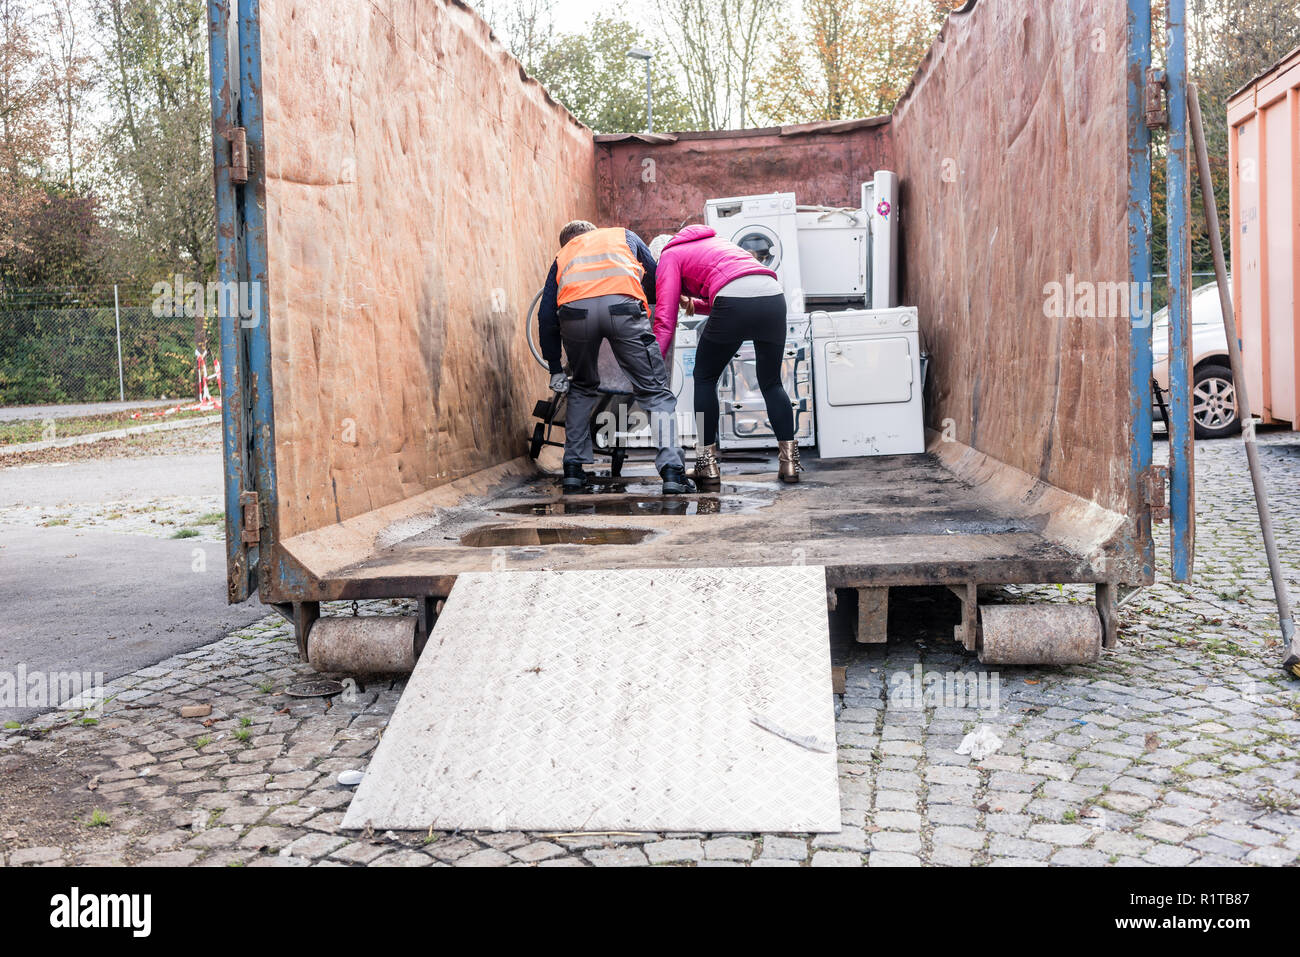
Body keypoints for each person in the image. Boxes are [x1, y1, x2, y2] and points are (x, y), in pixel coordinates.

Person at [538, 220, 694, 495]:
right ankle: (673, 473)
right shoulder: (623, 236)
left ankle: (573, 472)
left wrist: (554, 368)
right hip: (623, 310)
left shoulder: (565, 253)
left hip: (575, 315)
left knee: (582, 387)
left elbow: (547, 315)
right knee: (655, 391)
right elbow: (655, 279)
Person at [653, 224, 802, 486]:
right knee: (771, 382)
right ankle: (789, 463)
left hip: (734, 301)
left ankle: (707, 466)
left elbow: (665, 318)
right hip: (773, 296)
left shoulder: (668, 255)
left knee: (705, 377)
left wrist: (652, 364)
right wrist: (694, 305)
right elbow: (733, 292)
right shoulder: (715, 242)